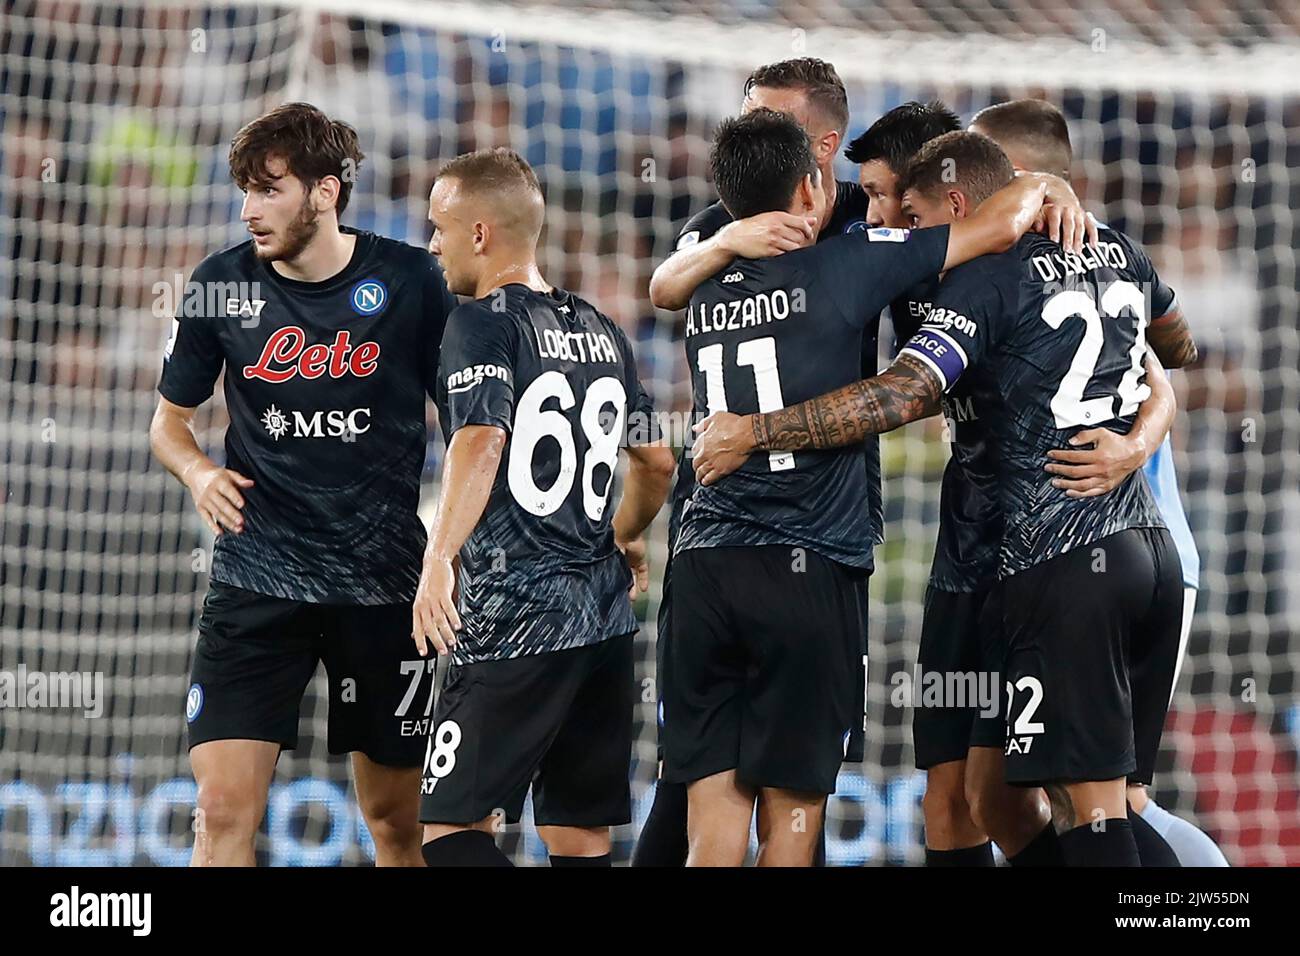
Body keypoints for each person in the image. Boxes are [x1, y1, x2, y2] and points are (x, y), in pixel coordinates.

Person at [691, 130, 1199, 866]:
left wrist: (754, 432)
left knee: (1097, 804)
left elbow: (904, 393)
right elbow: (1172, 345)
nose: (889, 222)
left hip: (1057, 555)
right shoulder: (1112, 249)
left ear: (955, 197)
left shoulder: (979, 275)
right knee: (976, 797)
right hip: (1009, 562)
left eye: (902, 204)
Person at [151, 102, 457, 866]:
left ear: (326, 192)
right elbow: (168, 422)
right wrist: (198, 470)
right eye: (246, 191)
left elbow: (471, 428)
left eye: (271, 189)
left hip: (385, 584)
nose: (251, 210)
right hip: (259, 577)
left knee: (396, 823)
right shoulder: (219, 283)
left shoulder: (412, 278)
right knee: (221, 814)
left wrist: (453, 549)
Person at [971, 99, 1226, 866]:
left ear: (1020, 179)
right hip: (1102, 551)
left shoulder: (1055, 266)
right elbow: (1172, 361)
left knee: (1113, 800)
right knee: (1010, 796)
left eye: (982, 171)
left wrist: (1134, 445)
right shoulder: (1100, 261)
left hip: (1108, 545)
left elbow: (1169, 371)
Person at [413, 147, 675, 867]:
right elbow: (657, 459)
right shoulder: (602, 329)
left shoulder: (480, 323)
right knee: (579, 838)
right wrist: (623, 536)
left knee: (449, 834)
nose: (430, 242)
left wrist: (439, 556)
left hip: (511, 617)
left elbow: (481, 439)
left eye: (439, 226)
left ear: (478, 234)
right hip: (604, 623)